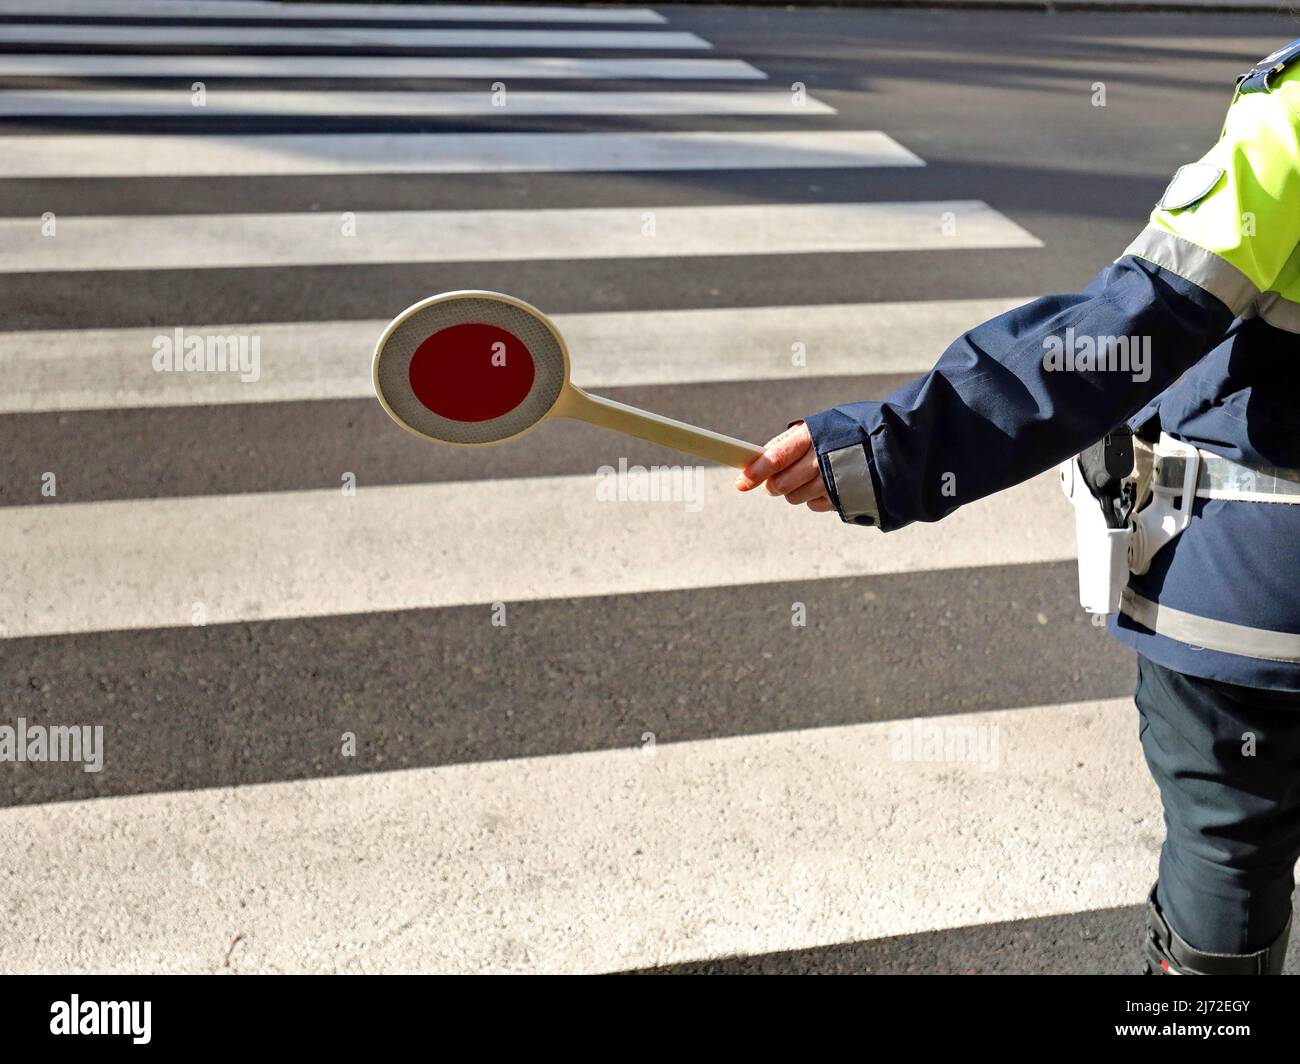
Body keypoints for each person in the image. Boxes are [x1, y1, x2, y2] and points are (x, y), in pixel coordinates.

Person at [738, 39, 1300, 975]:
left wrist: (886, 450)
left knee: (1226, 858)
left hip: (1253, 607)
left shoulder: (1292, 123)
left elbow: (1119, 338)